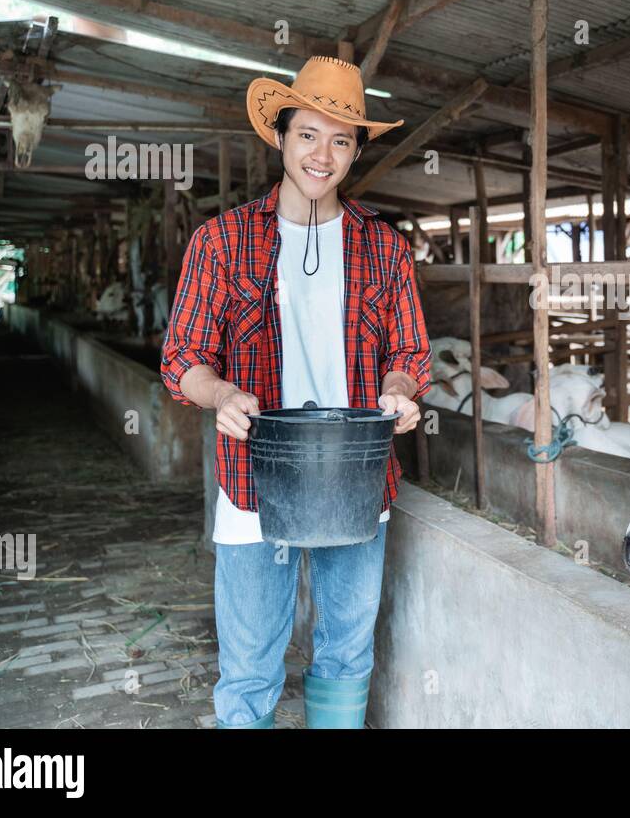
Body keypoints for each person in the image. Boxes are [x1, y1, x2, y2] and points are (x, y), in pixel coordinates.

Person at [160, 55, 430, 729]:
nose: (323, 153)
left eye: (342, 140)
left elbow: (410, 355)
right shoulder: (221, 242)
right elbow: (182, 358)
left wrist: (399, 390)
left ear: (356, 152)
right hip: (255, 479)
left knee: (345, 650)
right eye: (308, 133)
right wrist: (219, 392)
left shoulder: (385, 249)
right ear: (279, 137)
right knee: (251, 662)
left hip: (357, 479)